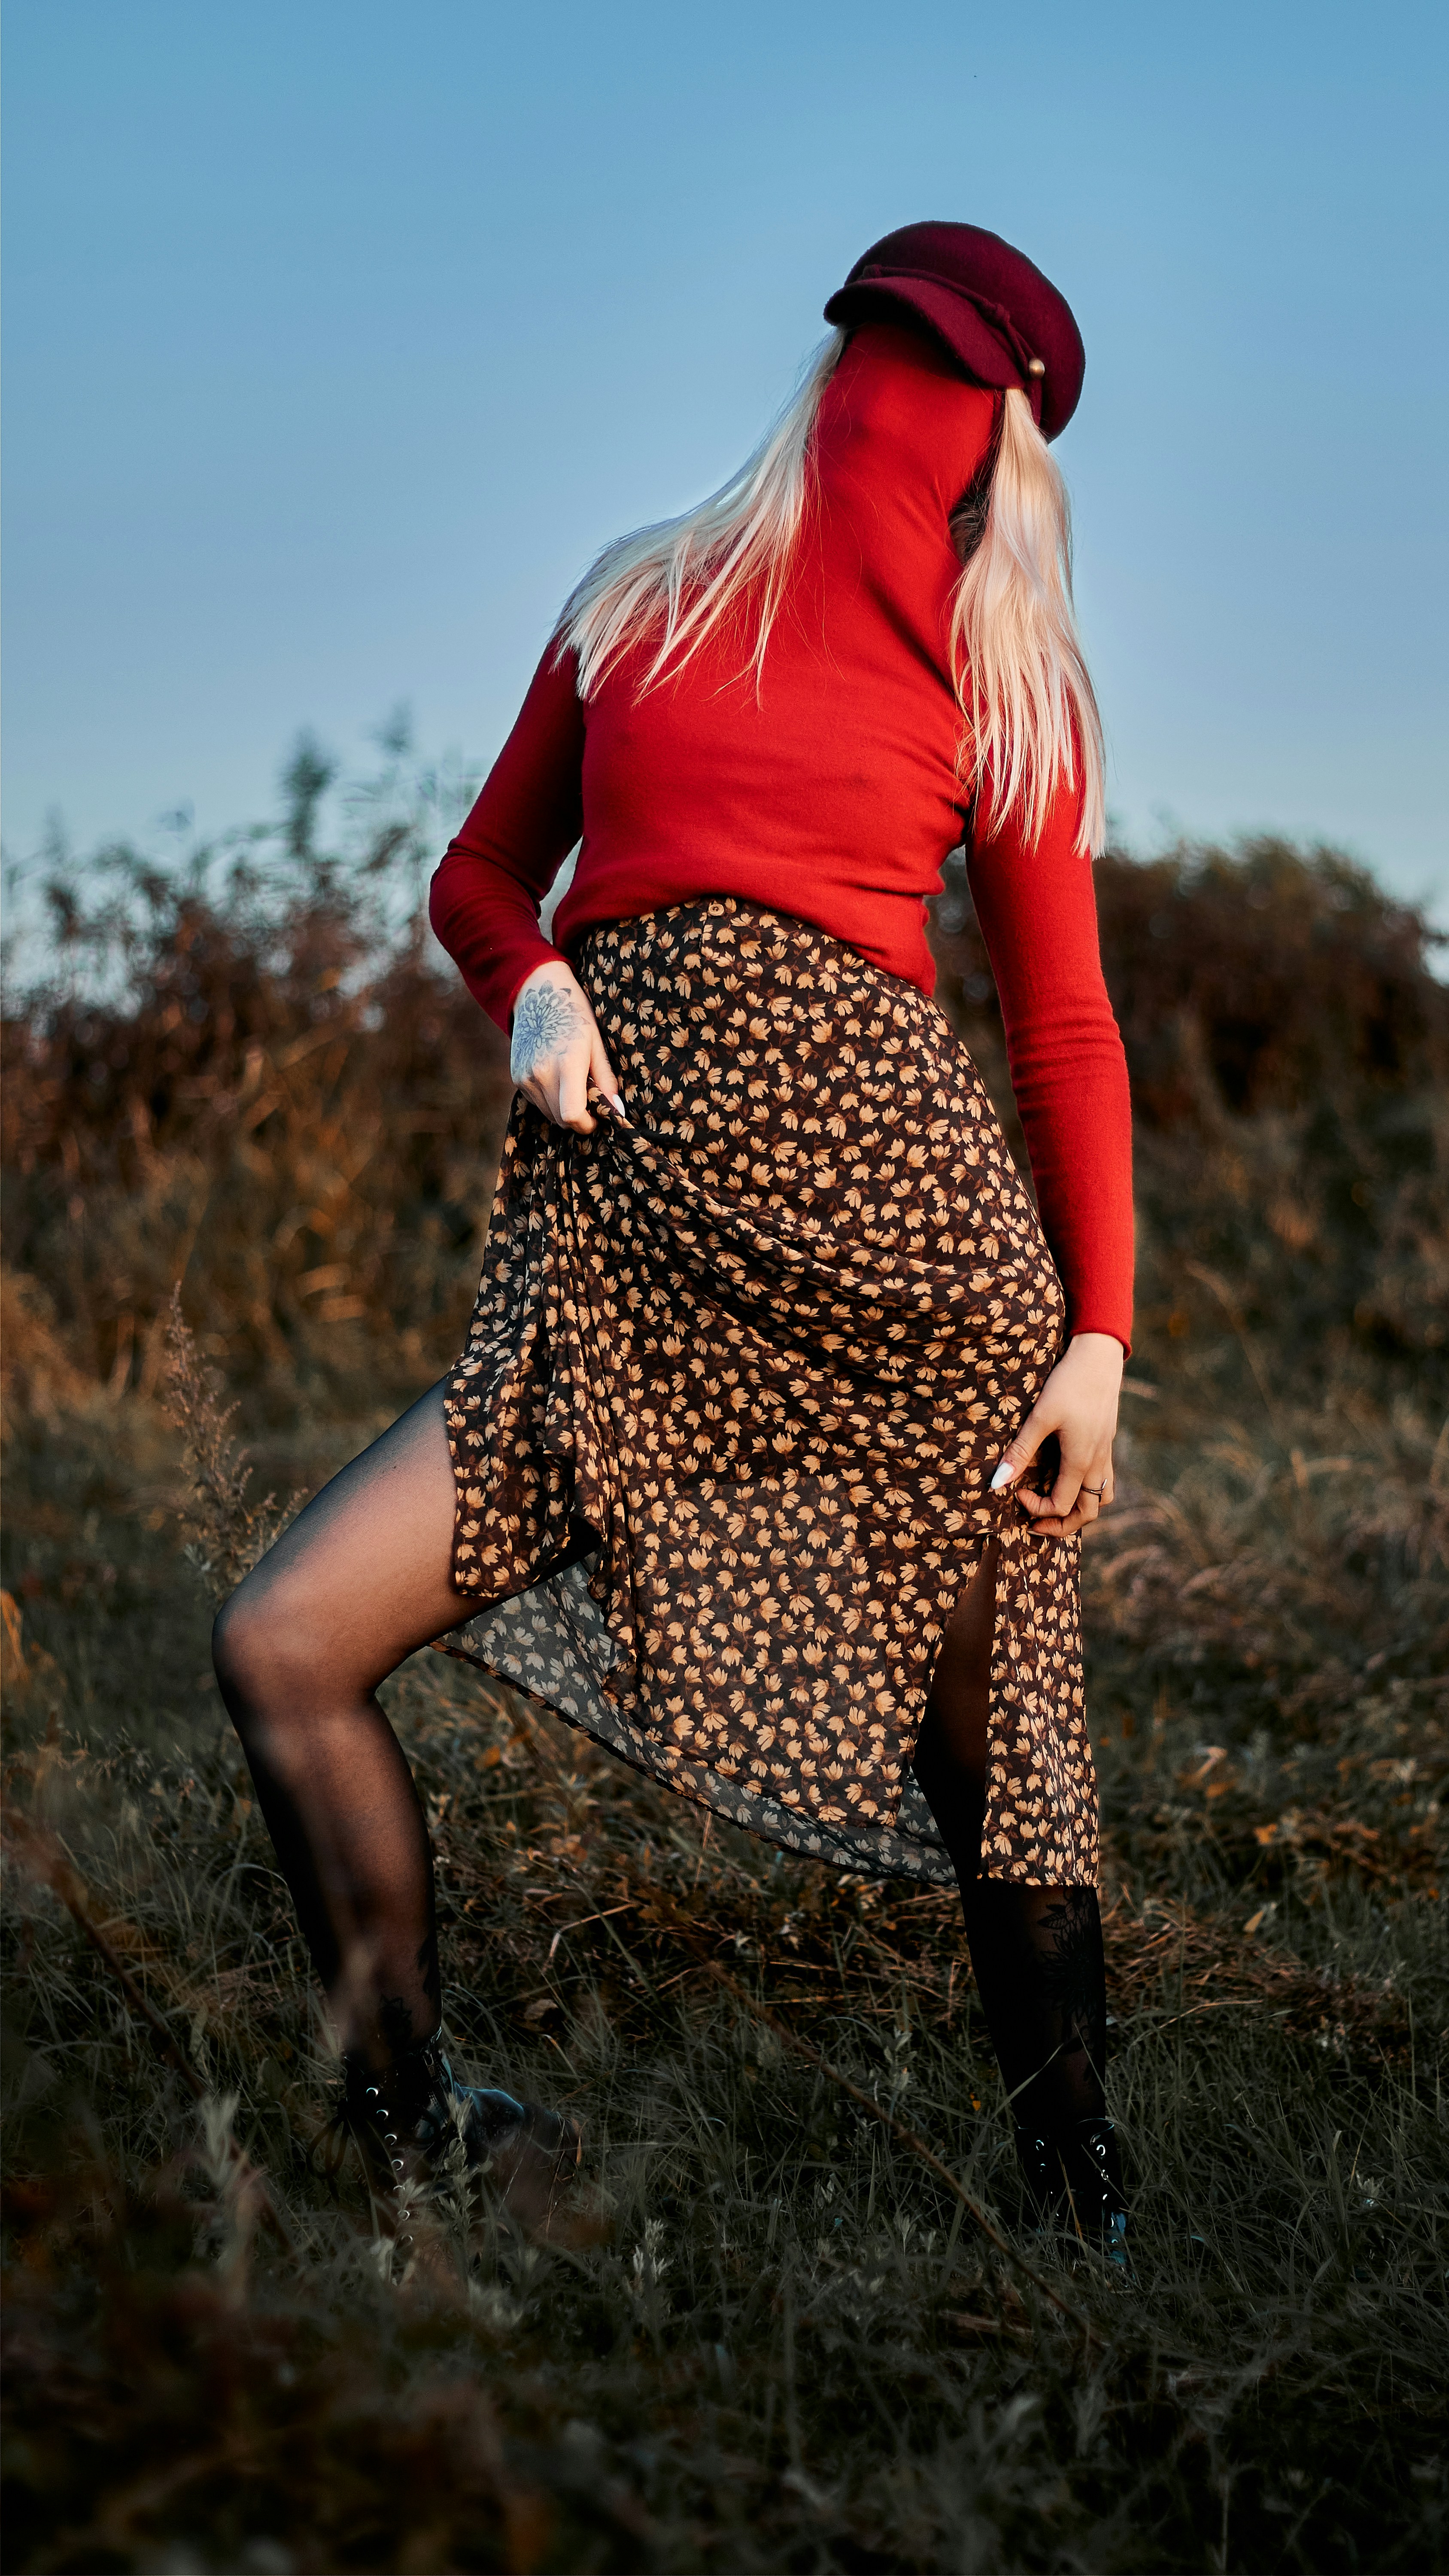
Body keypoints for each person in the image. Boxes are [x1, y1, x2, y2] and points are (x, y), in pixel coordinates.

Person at [213, 221, 1134, 2258]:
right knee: (283, 1644)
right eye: (877, 347)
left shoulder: (1002, 667)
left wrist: (1098, 1342)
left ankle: (1084, 2218)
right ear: (832, 364)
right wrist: (528, 978)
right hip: (620, 1265)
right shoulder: (641, 596)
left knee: (1013, 1778)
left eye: (940, 373)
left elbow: (1062, 1020)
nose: (889, 394)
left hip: (918, 1274)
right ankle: (412, 2134)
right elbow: (471, 869)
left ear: (998, 436)